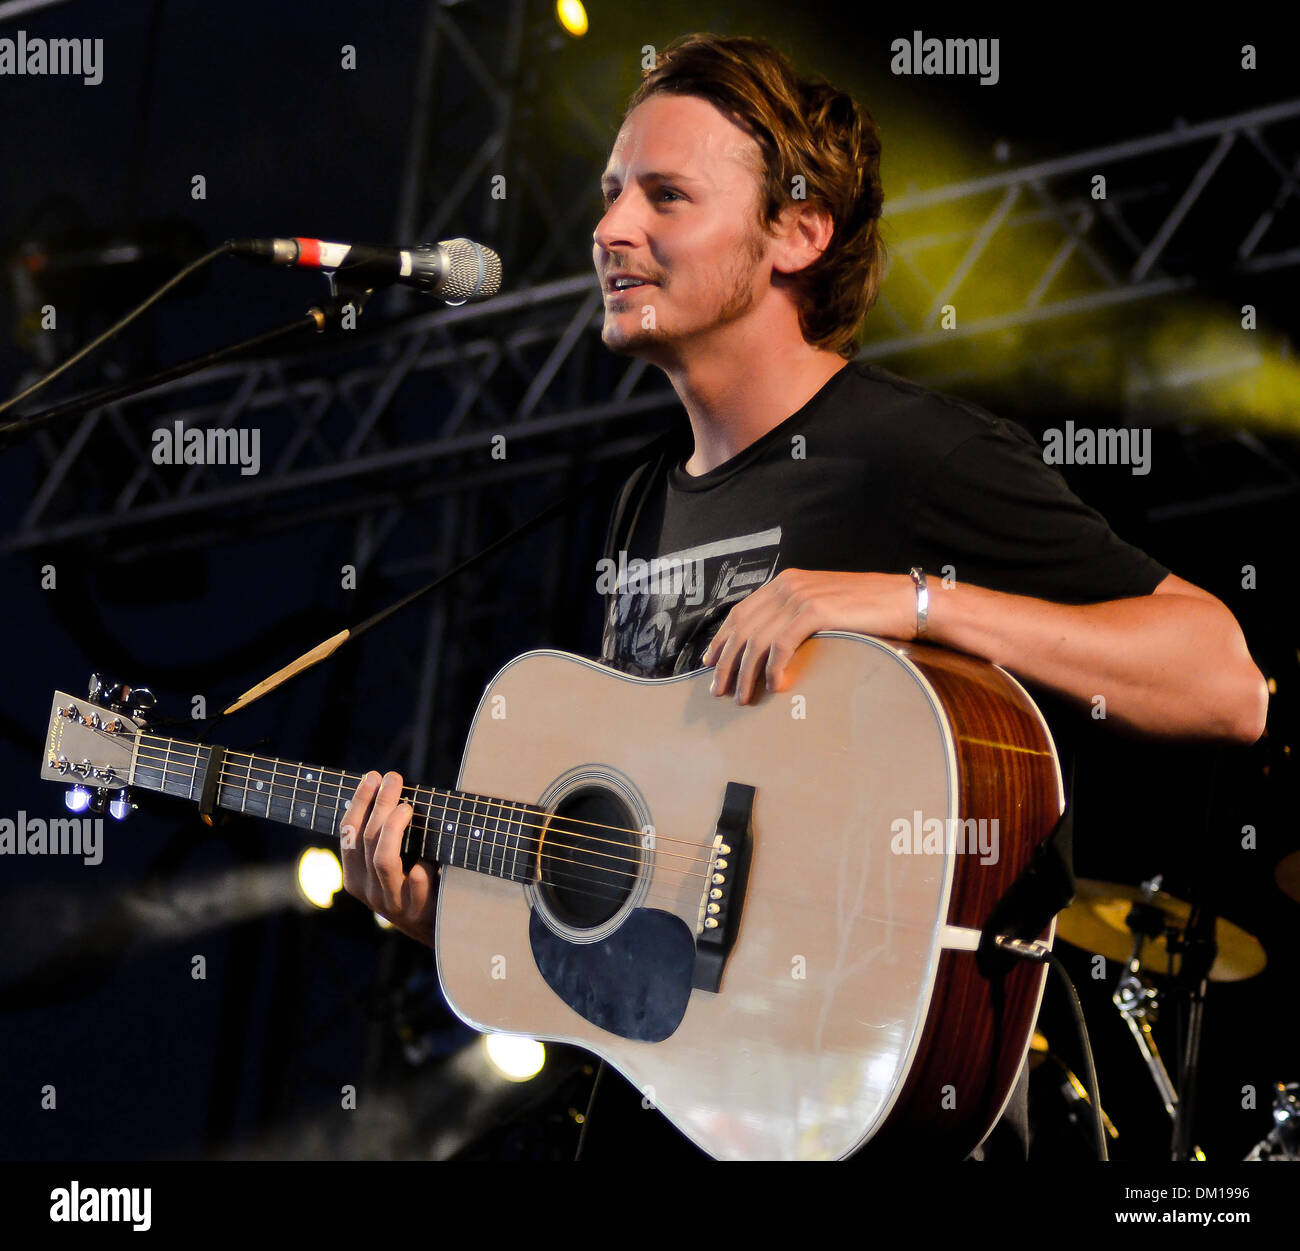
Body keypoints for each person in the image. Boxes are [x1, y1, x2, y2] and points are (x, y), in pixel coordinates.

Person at [337, 33, 1269, 1161]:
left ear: (798, 229)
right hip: (682, 1120)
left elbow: (1222, 680)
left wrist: (913, 602)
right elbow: (667, 885)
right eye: (610, 192)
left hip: (862, 1119)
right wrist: (469, 915)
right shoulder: (638, 506)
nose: (609, 229)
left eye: (664, 195)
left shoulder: (910, 454)